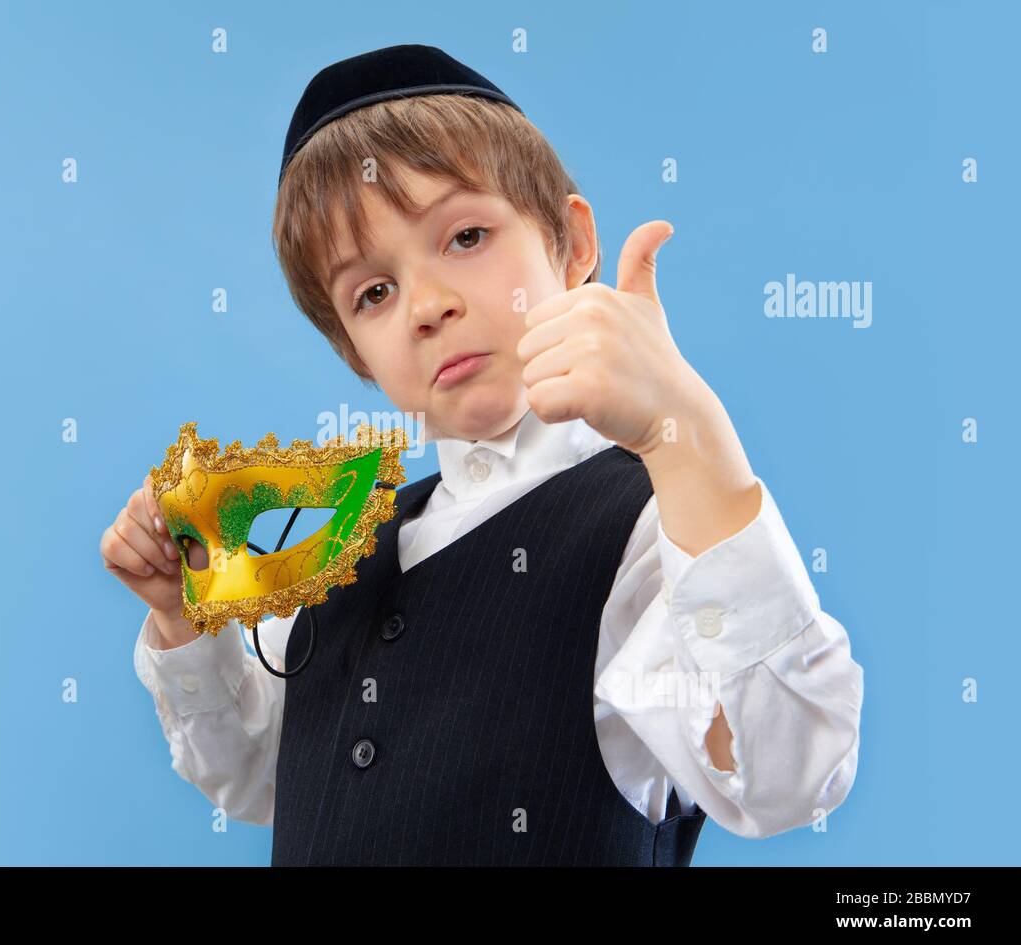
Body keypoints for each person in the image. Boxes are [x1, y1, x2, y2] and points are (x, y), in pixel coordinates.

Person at [101, 44, 864, 866]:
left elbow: (789, 774)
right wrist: (182, 619)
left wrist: (687, 428)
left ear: (572, 246)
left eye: (466, 236)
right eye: (374, 293)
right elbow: (260, 777)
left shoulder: (654, 535)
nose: (427, 305)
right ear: (356, 352)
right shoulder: (345, 540)